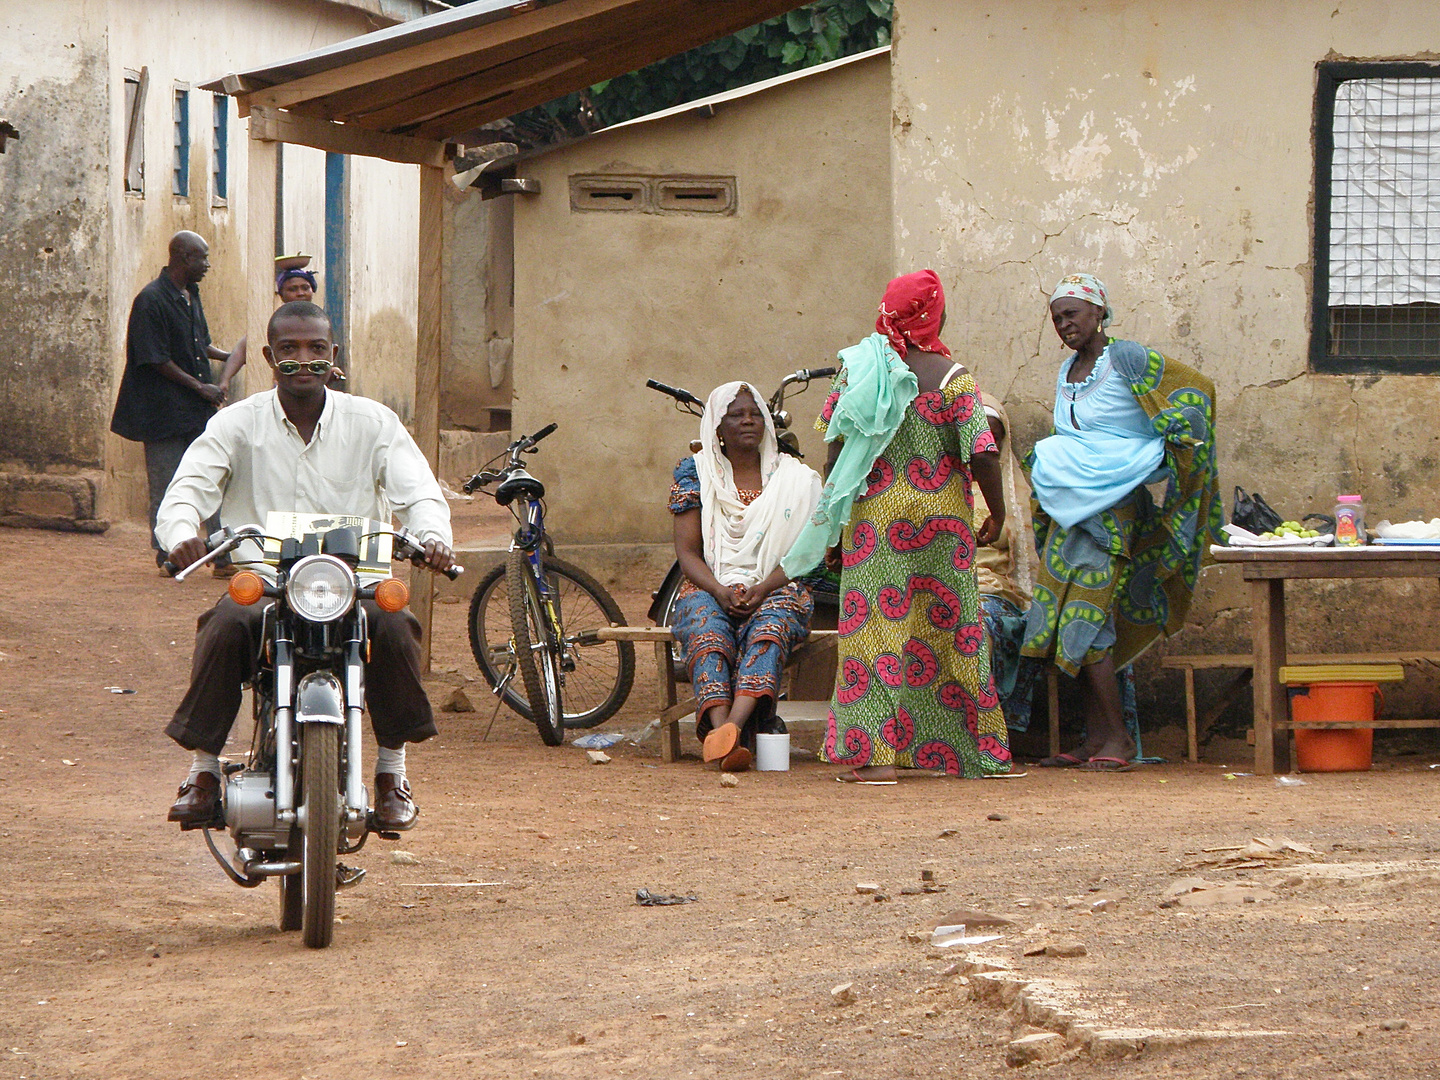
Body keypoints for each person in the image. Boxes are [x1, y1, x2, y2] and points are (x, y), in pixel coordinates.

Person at [158, 301, 455, 830]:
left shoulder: (373, 423)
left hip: (355, 583)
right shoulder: (236, 423)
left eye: (316, 349)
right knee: (226, 625)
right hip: (266, 582)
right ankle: (202, 771)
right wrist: (182, 534)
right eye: (289, 350)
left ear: (333, 355)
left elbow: (419, 494)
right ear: (269, 357)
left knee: (394, 626)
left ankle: (392, 771)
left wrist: (432, 538)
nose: (303, 361)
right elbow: (188, 488)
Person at [782, 270, 1012, 783]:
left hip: (875, 523)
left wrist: (838, 526)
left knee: (873, 633)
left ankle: (875, 757)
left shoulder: (858, 370)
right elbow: (983, 453)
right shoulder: (956, 379)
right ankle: (961, 753)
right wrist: (996, 513)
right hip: (944, 524)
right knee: (950, 631)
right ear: (934, 316)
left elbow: (836, 453)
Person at [1023, 273, 1222, 770]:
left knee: (1088, 618)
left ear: (1099, 312)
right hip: (1072, 509)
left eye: (1072, 314)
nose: (1064, 324)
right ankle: (1096, 738)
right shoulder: (1068, 369)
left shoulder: (1126, 359)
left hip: (1112, 510)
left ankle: (1119, 738)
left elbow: (1197, 391)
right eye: (1056, 318)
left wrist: (1165, 445)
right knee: (1072, 619)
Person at [669, 382, 822, 771]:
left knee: (771, 626)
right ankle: (723, 730)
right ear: (717, 426)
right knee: (706, 629)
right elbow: (688, 553)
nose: (748, 421)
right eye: (736, 415)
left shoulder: (792, 477)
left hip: (777, 584)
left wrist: (763, 587)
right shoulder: (696, 473)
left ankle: (731, 730)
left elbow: (804, 555)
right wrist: (720, 590)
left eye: (755, 414)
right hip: (710, 583)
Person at [110, 230, 244, 568]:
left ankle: (221, 554)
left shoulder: (190, 295)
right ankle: (168, 554)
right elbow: (155, 358)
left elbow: (199, 345)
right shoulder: (150, 300)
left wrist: (231, 356)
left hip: (195, 410)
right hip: (162, 411)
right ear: (185, 257)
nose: (208, 265)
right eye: (203, 258)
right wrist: (201, 387)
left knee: (214, 478)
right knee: (168, 483)